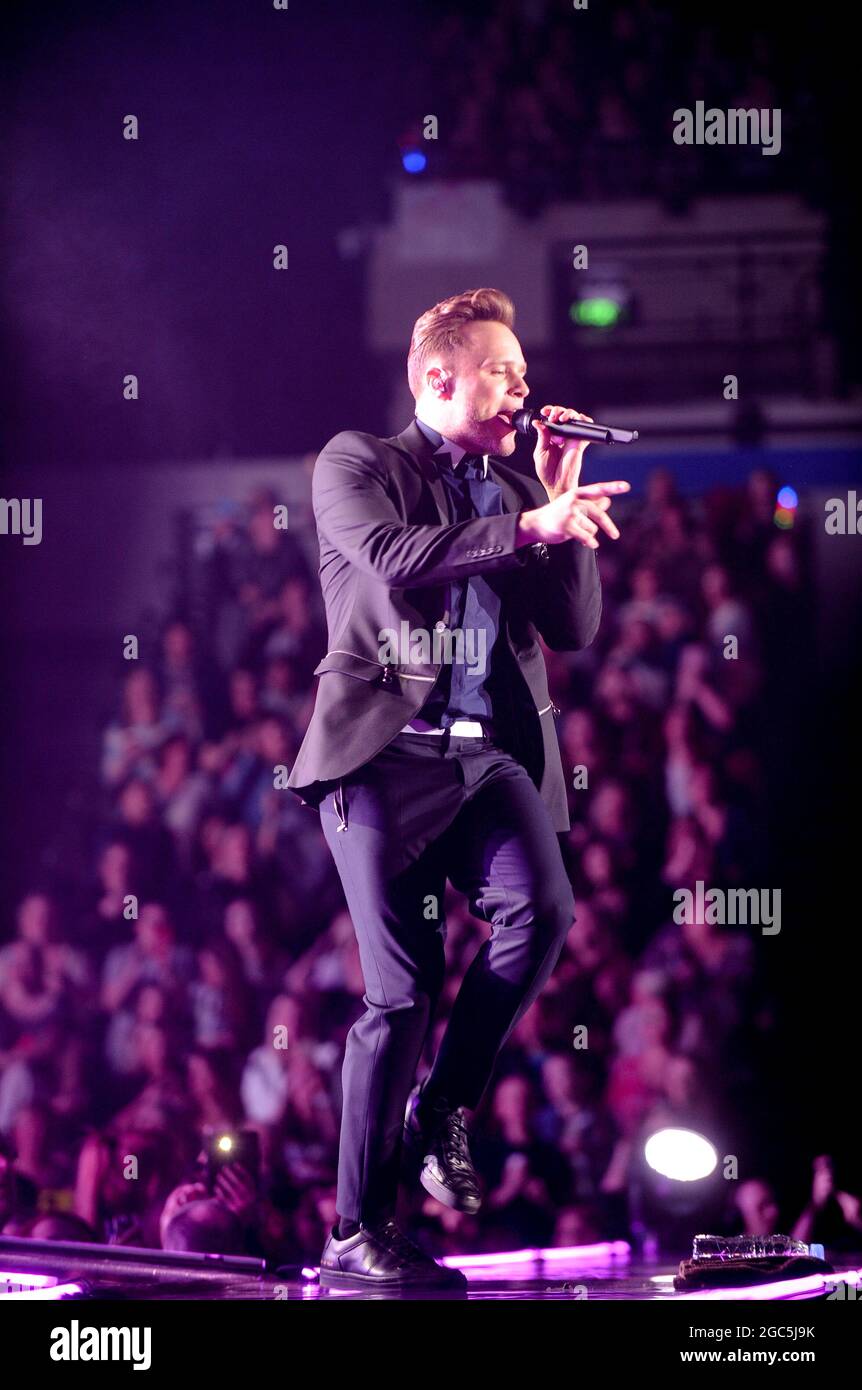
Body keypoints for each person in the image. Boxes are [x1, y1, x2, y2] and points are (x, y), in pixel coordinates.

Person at [287, 287, 629, 1291]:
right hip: (382, 757)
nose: (522, 386)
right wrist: (526, 524)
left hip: (485, 760)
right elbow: (394, 560)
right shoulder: (359, 462)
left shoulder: (517, 486)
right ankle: (356, 1231)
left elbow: (572, 630)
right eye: (501, 371)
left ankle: (443, 1108)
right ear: (439, 377)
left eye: (522, 370)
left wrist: (554, 503)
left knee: (545, 911)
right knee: (400, 995)